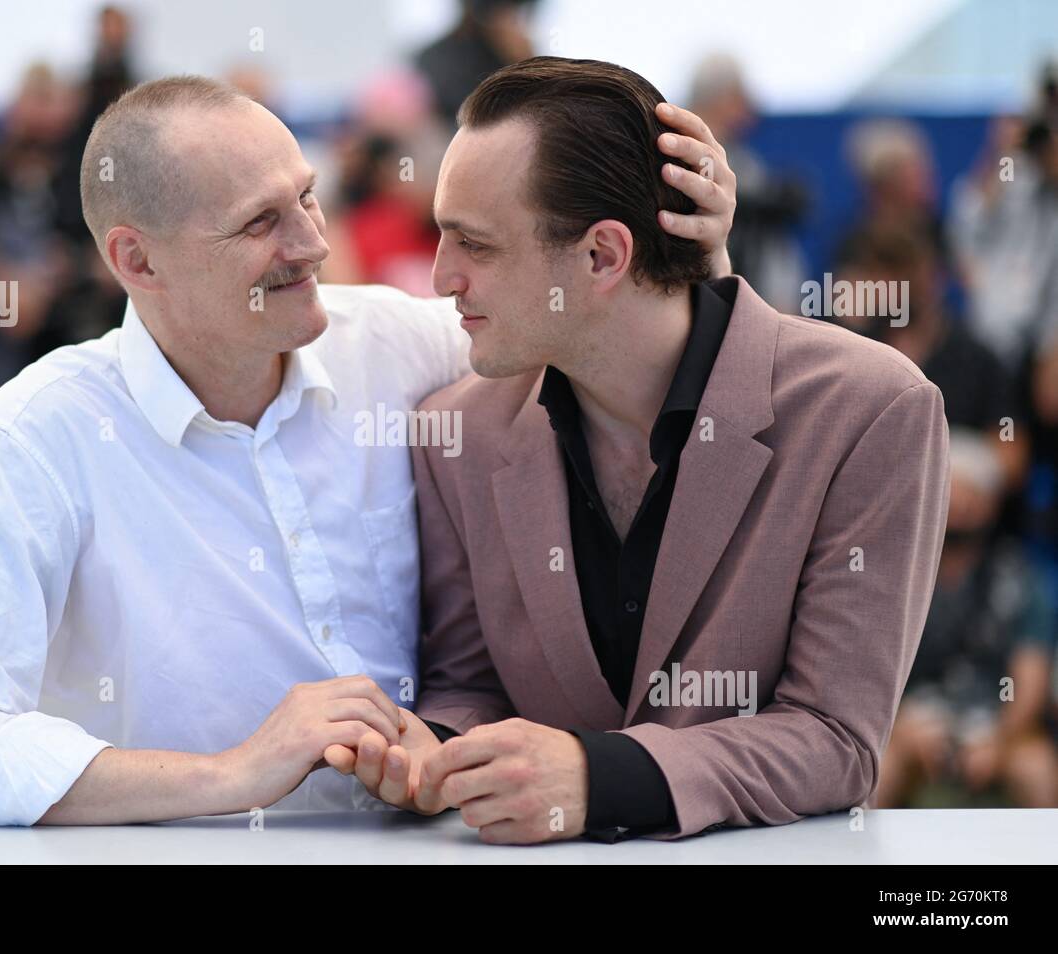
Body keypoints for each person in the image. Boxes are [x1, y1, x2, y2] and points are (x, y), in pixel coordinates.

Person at [0, 73, 736, 826]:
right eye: (261, 224)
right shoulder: (43, 436)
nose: (313, 244)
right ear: (135, 259)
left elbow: (614, 333)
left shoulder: (397, 344)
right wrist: (234, 774)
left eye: (308, 197)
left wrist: (695, 253)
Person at [329, 57, 950, 844]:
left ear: (602, 257)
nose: (442, 276)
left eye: (474, 245)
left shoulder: (869, 410)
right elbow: (468, 685)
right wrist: (436, 750)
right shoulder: (456, 437)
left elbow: (835, 739)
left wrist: (601, 778)